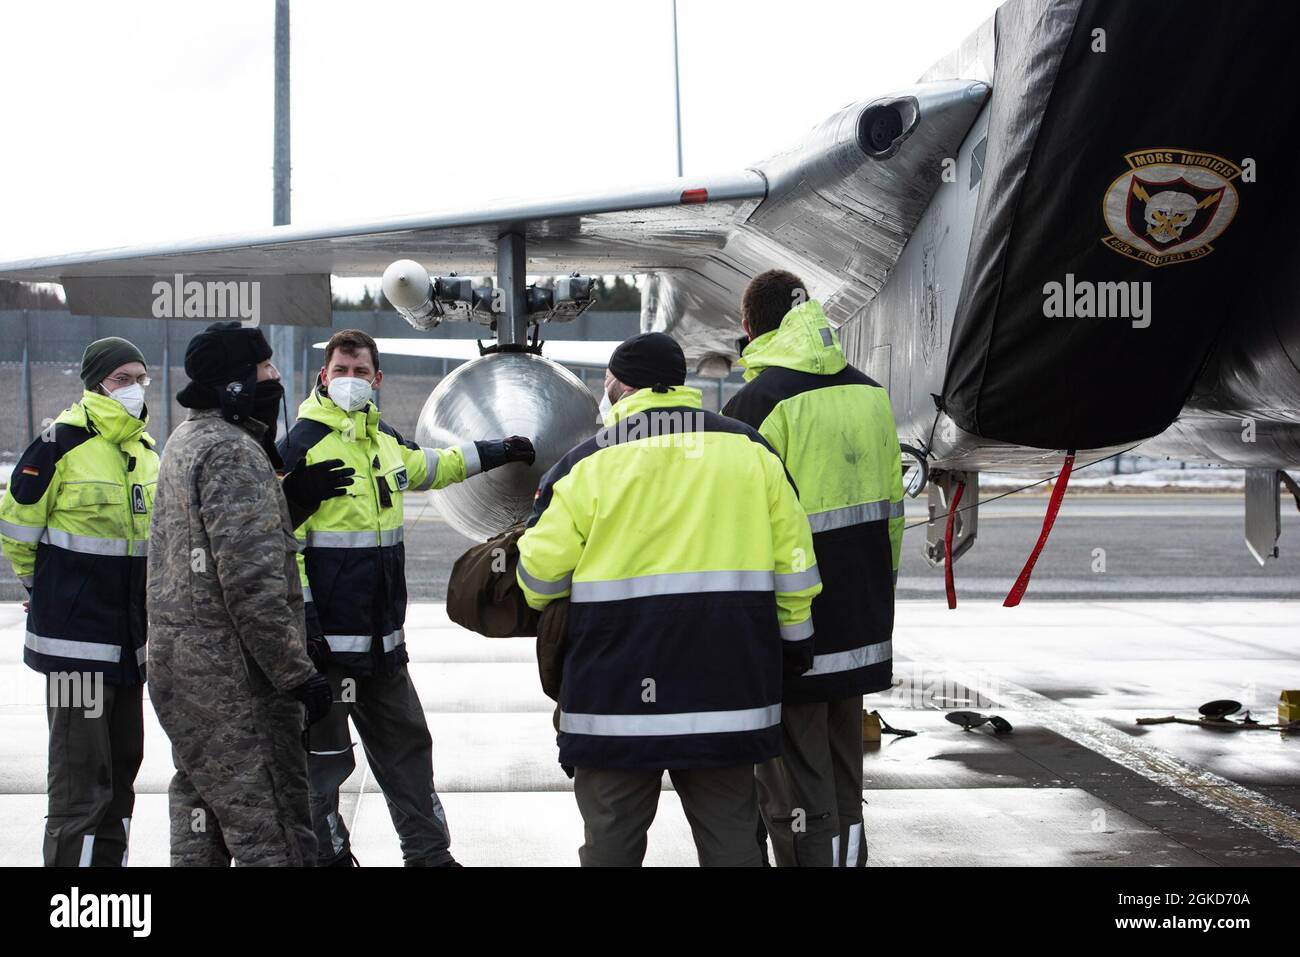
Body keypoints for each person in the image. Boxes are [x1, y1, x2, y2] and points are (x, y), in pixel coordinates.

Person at [516, 332, 821, 867]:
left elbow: (538, 580)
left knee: (611, 840)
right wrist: (794, 643)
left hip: (615, 700)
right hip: (727, 695)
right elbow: (795, 564)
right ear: (678, 382)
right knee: (732, 839)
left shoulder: (585, 464)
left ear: (621, 384)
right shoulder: (751, 451)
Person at [277, 328, 535, 867]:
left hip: (384, 652)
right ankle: (327, 858)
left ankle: (429, 857)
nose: (351, 381)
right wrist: (303, 621)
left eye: (360, 372)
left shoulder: (384, 441)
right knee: (322, 766)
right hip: (325, 655)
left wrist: (497, 452)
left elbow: (435, 466)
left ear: (378, 379)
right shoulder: (298, 447)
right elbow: (280, 546)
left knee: (409, 754)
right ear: (322, 377)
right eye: (341, 371)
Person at [723, 269, 904, 868]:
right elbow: (893, 516)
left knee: (794, 786)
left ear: (752, 327)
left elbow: (745, 531)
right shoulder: (872, 393)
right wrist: (879, 594)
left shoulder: (756, 404)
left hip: (795, 632)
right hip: (863, 619)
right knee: (846, 776)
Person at [148, 321, 339, 867]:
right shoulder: (233, 453)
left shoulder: (185, 440)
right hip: (235, 682)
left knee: (202, 812)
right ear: (235, 384)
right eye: (264, 367)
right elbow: (250, 584)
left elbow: (212, 554)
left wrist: (290, 502)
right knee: (273, 829)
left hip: (184, 674)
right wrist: (295, 672)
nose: (275, 376)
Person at [0, 338, 157, 866]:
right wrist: (40, 590)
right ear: (96, 384)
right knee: (79, 786)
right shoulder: (59, 443)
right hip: (75, 653)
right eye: (122, 379)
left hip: (127, 650)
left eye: (140, 378)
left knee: (121, 776)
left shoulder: (145, 453)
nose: (135, 388)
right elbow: (16, 529)